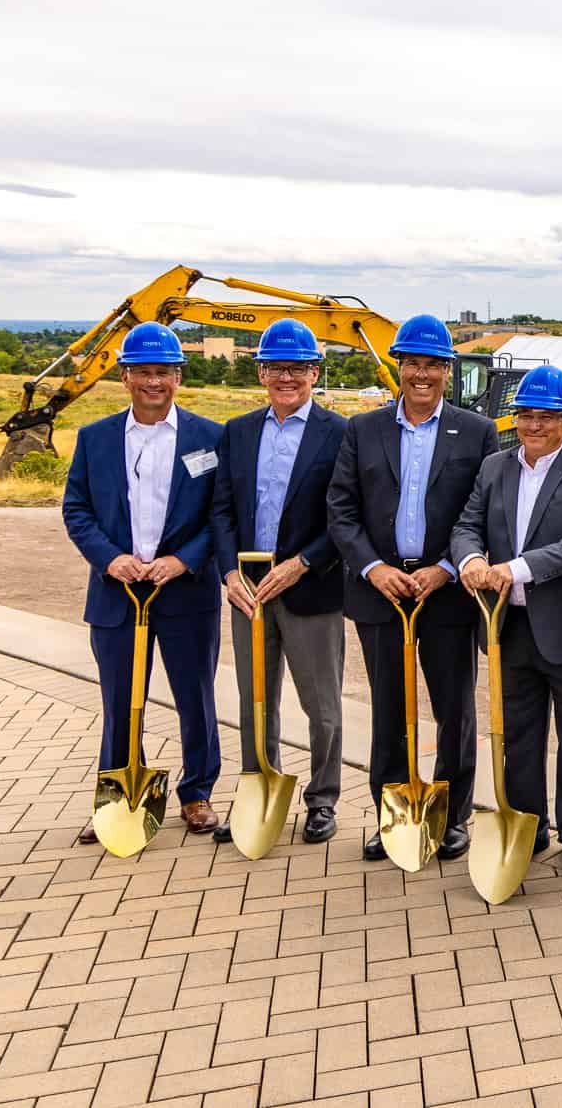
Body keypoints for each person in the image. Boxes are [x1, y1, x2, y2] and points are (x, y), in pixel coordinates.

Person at [327, 314, 498, 863]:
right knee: (389, 710)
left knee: (454, 711)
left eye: (432, 364)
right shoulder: (363, 429)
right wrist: (373, 569)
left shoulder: (476, 432)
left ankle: (452, 814)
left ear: (447, 370)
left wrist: (446, 568)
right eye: (412, 363)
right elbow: (341, 510)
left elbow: (484, 513)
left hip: (445, 591)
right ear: (398, 367)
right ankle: (394, 814)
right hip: (381, 590)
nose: (421, 374)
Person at [451, 365, 562, 877]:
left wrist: (514, 568)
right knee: (518, 735)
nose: (534, 426)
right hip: (511, 627)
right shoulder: (494, 468)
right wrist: (470, 561)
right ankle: (528, 824)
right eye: (526, 416)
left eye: (546, 417)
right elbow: (466, 525)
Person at [61, 322, 225, 841]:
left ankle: (196, 793)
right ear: (125, 377)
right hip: (116, 594)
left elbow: (219, 515)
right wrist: (110, 559)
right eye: (143, 373)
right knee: (120, 699)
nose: (154, 382)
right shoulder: (95, 439)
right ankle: (120, 796)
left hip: (185, 592)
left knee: (194, 696)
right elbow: (77, 509)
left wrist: (185, 560)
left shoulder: (209, 438)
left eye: (164, 373)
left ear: (179, 377)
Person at [209, 319, 349, 846]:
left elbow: (344, 516)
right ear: (261, 372)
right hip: (249, 592)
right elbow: (221, 509)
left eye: (297, 368)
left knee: (322, 705)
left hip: (311, 588)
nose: (285, 377)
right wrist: (228, 572)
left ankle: (322, 799)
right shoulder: (239, 431)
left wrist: (302, 563)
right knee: (255, 700)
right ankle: (259, 790)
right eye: (275, 368)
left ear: (314, 372)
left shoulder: (339, 434)